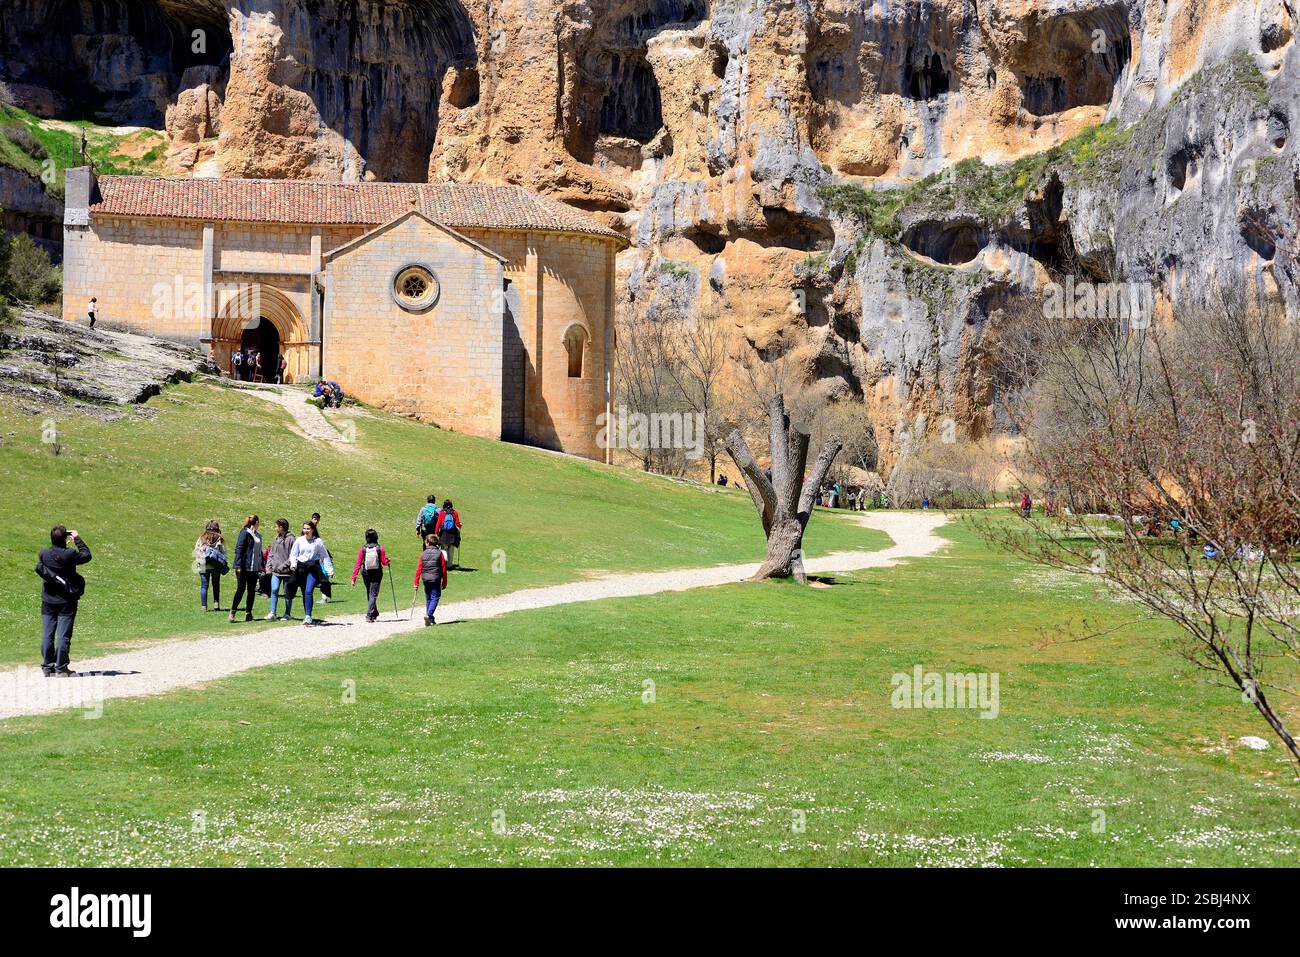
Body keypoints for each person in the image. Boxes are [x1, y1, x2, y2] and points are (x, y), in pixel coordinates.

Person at [35, 525, 91, 677]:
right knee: (63, 635)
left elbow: (52, 558)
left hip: (48, 600)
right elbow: (86, 555)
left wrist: (61, 544)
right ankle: (61, 668)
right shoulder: (70, 554)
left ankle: (47, 667)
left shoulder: (43, 554)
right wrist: (77, 539)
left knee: (47, 634)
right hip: (66, 600)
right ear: (65, 538)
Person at [290, 521, 331, 626]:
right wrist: (293, 564)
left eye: (308, 529)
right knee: (304, 592)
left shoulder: (318, 542)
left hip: (313, 569)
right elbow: (293, 554)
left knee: (309, 590)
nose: (306, 531)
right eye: (304, 528)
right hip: (301, 568)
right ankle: (308, 615)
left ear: (312, 529)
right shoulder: (299, 540)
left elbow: (325, 556)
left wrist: (329, 569)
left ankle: (308, 616)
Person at [228, 515, 264, 623]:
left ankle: (248, 613)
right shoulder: (245, 532)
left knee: (251, 591)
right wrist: (238, 565)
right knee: (241, 589)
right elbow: (239, 548)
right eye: (258, 522)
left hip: (254, 567)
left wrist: (260, 565)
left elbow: (258, 552)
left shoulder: (258, 535)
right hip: (244, 567)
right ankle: (232, 612)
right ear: (256, 522)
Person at [351, 528, 391, 622]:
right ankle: (369, 615)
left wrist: (354, 577)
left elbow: (358, 564)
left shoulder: (363, 549)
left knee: (370, 593)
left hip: (366, 573)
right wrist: (388, 561)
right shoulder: (380, 548)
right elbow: (384, 563)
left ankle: (374, 612)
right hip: (377, 573)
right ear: (376, 536)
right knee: (373, 594)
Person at [414, 533, 448, 626]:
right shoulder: (439, 553)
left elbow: (419, 569)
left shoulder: (423, 553)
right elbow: (443, 569)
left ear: (427, 543)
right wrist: (444, 582)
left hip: (425, 579)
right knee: (435, 597)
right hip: (435, 579)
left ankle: (430, 619)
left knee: (428, 598)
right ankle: (429, 615)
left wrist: (416, 582)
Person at [193, 520, 227, 611]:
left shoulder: (202, 538)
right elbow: (223, 552)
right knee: (216, 585)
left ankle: (204, 606)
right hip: (216, 565)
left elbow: (196, 550)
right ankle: (216, 605)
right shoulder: (219, 539)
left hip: (204, 565)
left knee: (204, 586)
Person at [265, 518, 295, 620]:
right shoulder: (276, 539)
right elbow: (271, 554)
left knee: (287, 593)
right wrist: (268, 567)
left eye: (276, 526)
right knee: (274, 590)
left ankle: (287, 614)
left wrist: (282, 566)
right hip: (276, 572)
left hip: (287, 572)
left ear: (281, 527)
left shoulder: (291, 539)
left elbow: (293, 556)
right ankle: (272, 613)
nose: (275, 528)